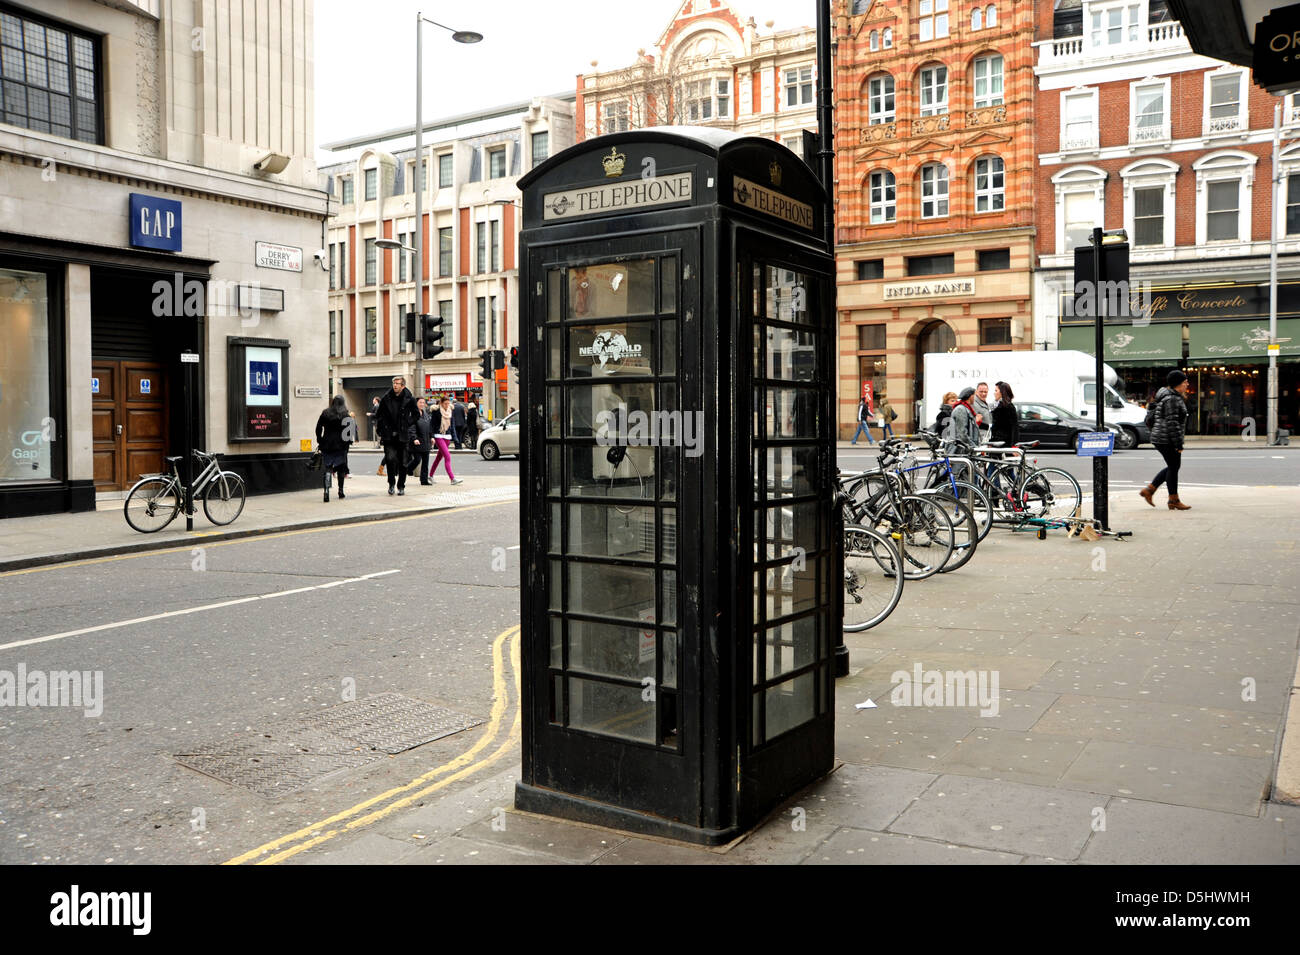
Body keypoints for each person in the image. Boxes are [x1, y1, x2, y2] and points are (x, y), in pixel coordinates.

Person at [1140, 370, 1191, 510]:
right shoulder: (1172, 399)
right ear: (1178, 384)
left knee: (1173, 467)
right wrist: (1178, 444)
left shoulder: (1170, 396)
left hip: (1162, 437)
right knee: (1174, 467)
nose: (1187, 383)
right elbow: (1172, 423)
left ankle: (1150, 491)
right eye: (1185, 381)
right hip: (1166, 438)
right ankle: (1172, 499)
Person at [376, 375, 418, 495]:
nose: (395, 385)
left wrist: (407, 423)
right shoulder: (386, 398)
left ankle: (401, 486)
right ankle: (391, 484)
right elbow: (379, 414)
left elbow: (416, 415)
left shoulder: (409, 398)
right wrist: (381, 428)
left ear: (403, 386)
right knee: (390, 460)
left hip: (402, 435)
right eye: (394, 383)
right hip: (389, 435)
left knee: (403, 462)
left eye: (397, 383)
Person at [315, 395, 353, 502]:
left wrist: (319, 439)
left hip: (327, 444)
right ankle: (341, 491)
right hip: (341, 445)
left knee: (328, 467)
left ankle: (326, 492)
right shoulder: (346, 414)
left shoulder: (325, 413)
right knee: (341, 468)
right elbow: (350, 432)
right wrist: (348, 443)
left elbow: (318, 427)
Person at [429, 396, 463, 485]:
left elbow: (452, 426)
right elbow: (431, 425)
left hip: (447, 436)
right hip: (439, 435)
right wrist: (432, 436)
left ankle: (430, 476)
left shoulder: (450, 411)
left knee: (438, 458)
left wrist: (455, 439)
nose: (447, 405)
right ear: (441, 403)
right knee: (447, 456)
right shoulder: (436, 412)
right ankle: (452, 479)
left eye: (448, 403)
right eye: (445, 404)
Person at [409, 397, 433, 485]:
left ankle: (424, 480)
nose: (422, 404)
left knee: (425, 462)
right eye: (420, 402)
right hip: (417, 441)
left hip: (426, 441)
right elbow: (411, 428)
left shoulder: (425, 414)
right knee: (417, 460)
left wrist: (432, 437)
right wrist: (414, 438)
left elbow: (429, 427)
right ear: (416, 403)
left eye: (423, 403)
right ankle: (407, 470)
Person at [990, 381, 1019, 446]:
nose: (994, 393)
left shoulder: (1008, 407)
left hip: (1004, 443)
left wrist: (1014, 445)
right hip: (996, 441)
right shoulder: (997, 406)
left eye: (996, 391)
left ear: (1002, 392)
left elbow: (1014, 427)